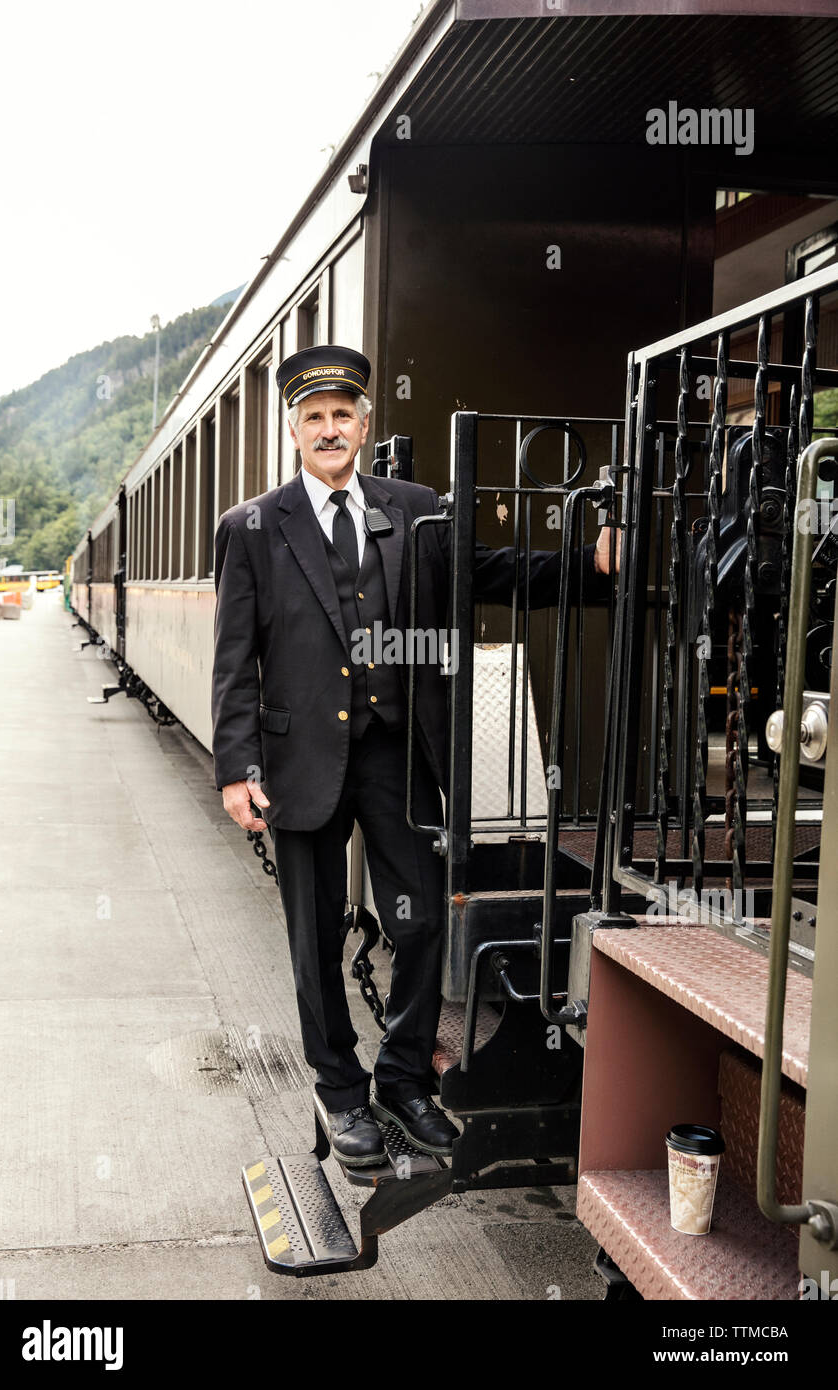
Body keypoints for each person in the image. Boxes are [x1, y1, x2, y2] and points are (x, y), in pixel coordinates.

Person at [211, 345, 615, 1166]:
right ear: (294, 431)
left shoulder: (418, 505)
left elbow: (492, 570)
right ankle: (337, 1091)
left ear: (365, 424)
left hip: (399, 756)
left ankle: (401, 1078)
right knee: (315, 936)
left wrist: (590, 566)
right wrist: (234, 766)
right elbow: (234, 659)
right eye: (314, 418)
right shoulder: (252, 527)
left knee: (424, 919)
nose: (330, 429)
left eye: (343, 415)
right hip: (298, 764)